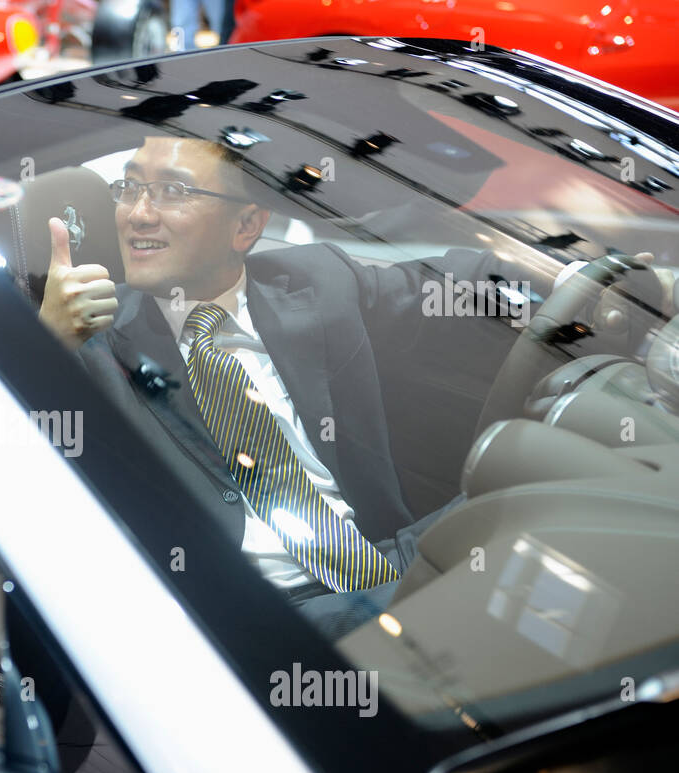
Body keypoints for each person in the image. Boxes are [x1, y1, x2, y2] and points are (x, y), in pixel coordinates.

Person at [34, 135, 602, 636]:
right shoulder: (90, 340)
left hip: (389, 559)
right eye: (128, 188)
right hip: (258, 614)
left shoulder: (317, 281)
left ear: (247, 225)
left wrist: (583, 281)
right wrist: (48, 342)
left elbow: (464, 280)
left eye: (173, 193)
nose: (137, 214)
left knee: (556, 496)